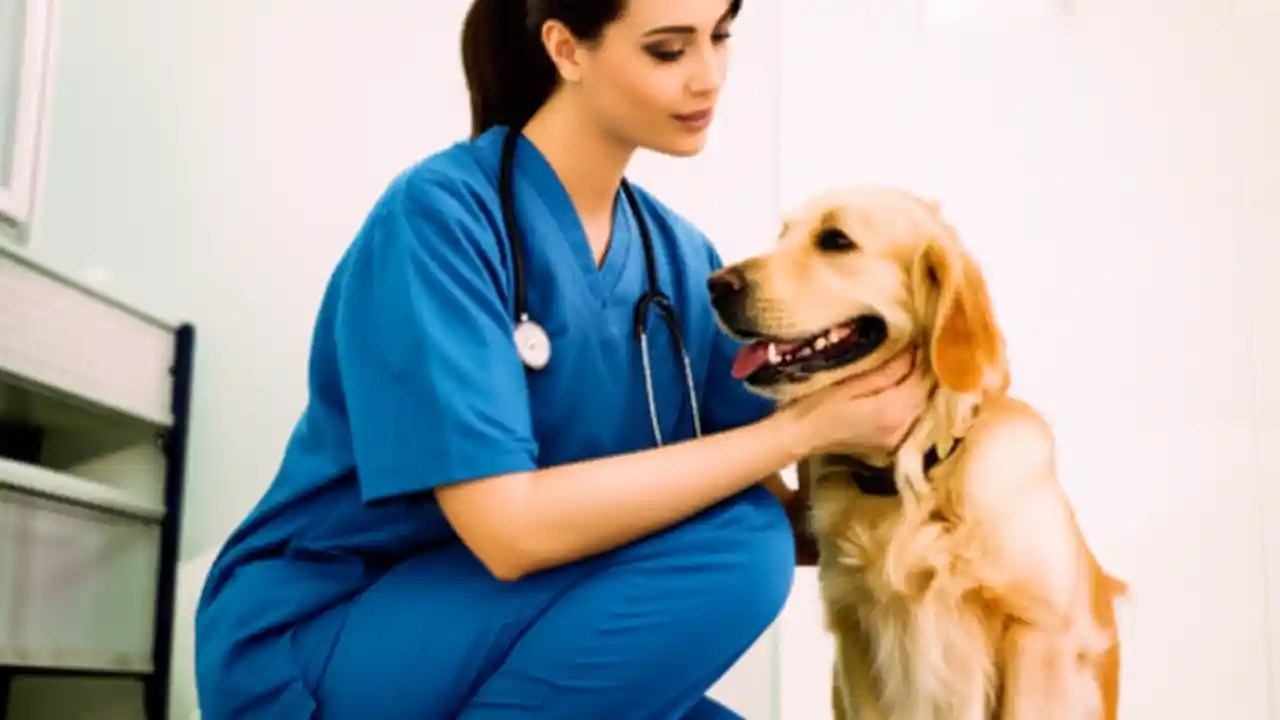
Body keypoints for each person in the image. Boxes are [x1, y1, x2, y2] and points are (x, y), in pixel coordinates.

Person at [193, 0, 929, 718]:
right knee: (742, 546)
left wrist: (954, 495)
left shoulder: (676, 258)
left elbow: (779, 505)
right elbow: (509, 532)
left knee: (745, 536)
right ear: (567, 48)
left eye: (721, 36)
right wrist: (800, 433)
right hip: (323, 640)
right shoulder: (442, 217)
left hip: (506, 628)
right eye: (669, 49)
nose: (708, 77)